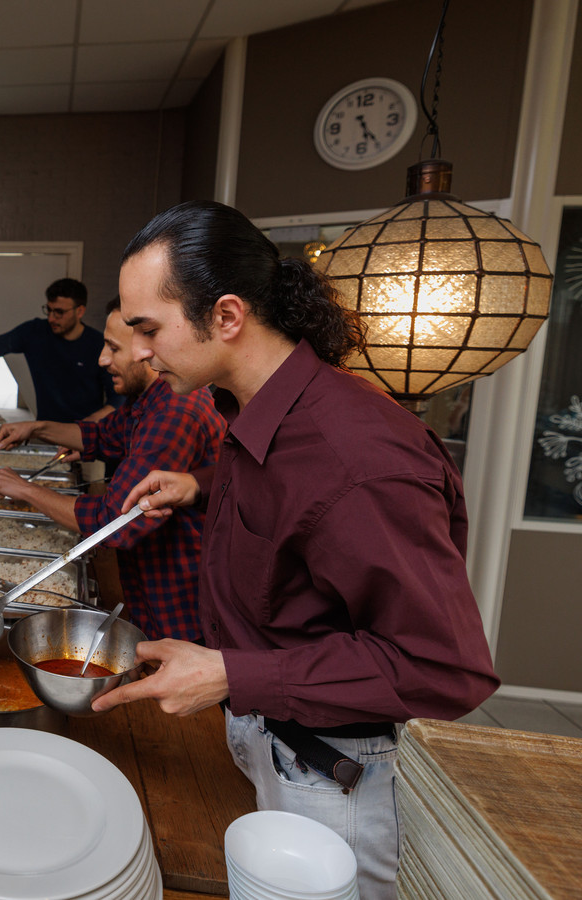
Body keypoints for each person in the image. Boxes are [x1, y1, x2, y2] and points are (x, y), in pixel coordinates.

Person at [95, 201, 499, 900]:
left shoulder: (357, 456)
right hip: (268, 734)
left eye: (147, 330)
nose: (135, 352)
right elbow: (291, 498)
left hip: (330, 772)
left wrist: (231, 674)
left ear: (225, 317)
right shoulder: (253, 411)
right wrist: (200, 484)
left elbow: (441, 668)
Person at [0, 297, 225, 640]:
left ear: (148, 349)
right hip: (150, 582)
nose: (102, 360)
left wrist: (24, 489)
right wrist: (35, 428)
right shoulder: (152, 398)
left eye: (113, 348)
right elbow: (101, 434)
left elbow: (115, 522)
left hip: (180, 594)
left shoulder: (175, 411)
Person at [0, 277, 120, 423]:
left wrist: (88, 424)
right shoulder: (35, 332)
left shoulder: (98, 344)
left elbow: (118, 397)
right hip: (46, 431)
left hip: (87, 436)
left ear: (80, 311)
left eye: (59, 312)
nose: (52, 318)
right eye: (49, 310)